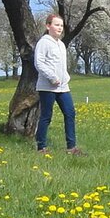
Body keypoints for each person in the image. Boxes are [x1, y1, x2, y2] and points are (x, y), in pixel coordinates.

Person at [34, 12, 80, 154]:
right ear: (48, 26)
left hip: (63, 87)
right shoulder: (43, 42)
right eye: (56, 25)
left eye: (61, 25)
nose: (59, 28)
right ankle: (41, 147)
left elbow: (62, 66)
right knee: (46, 116)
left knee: (70, 113)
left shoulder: (61, 44)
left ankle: (71, 147)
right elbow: (39, 63)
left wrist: (65, 78)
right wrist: (52, 77)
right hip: (47, 87)